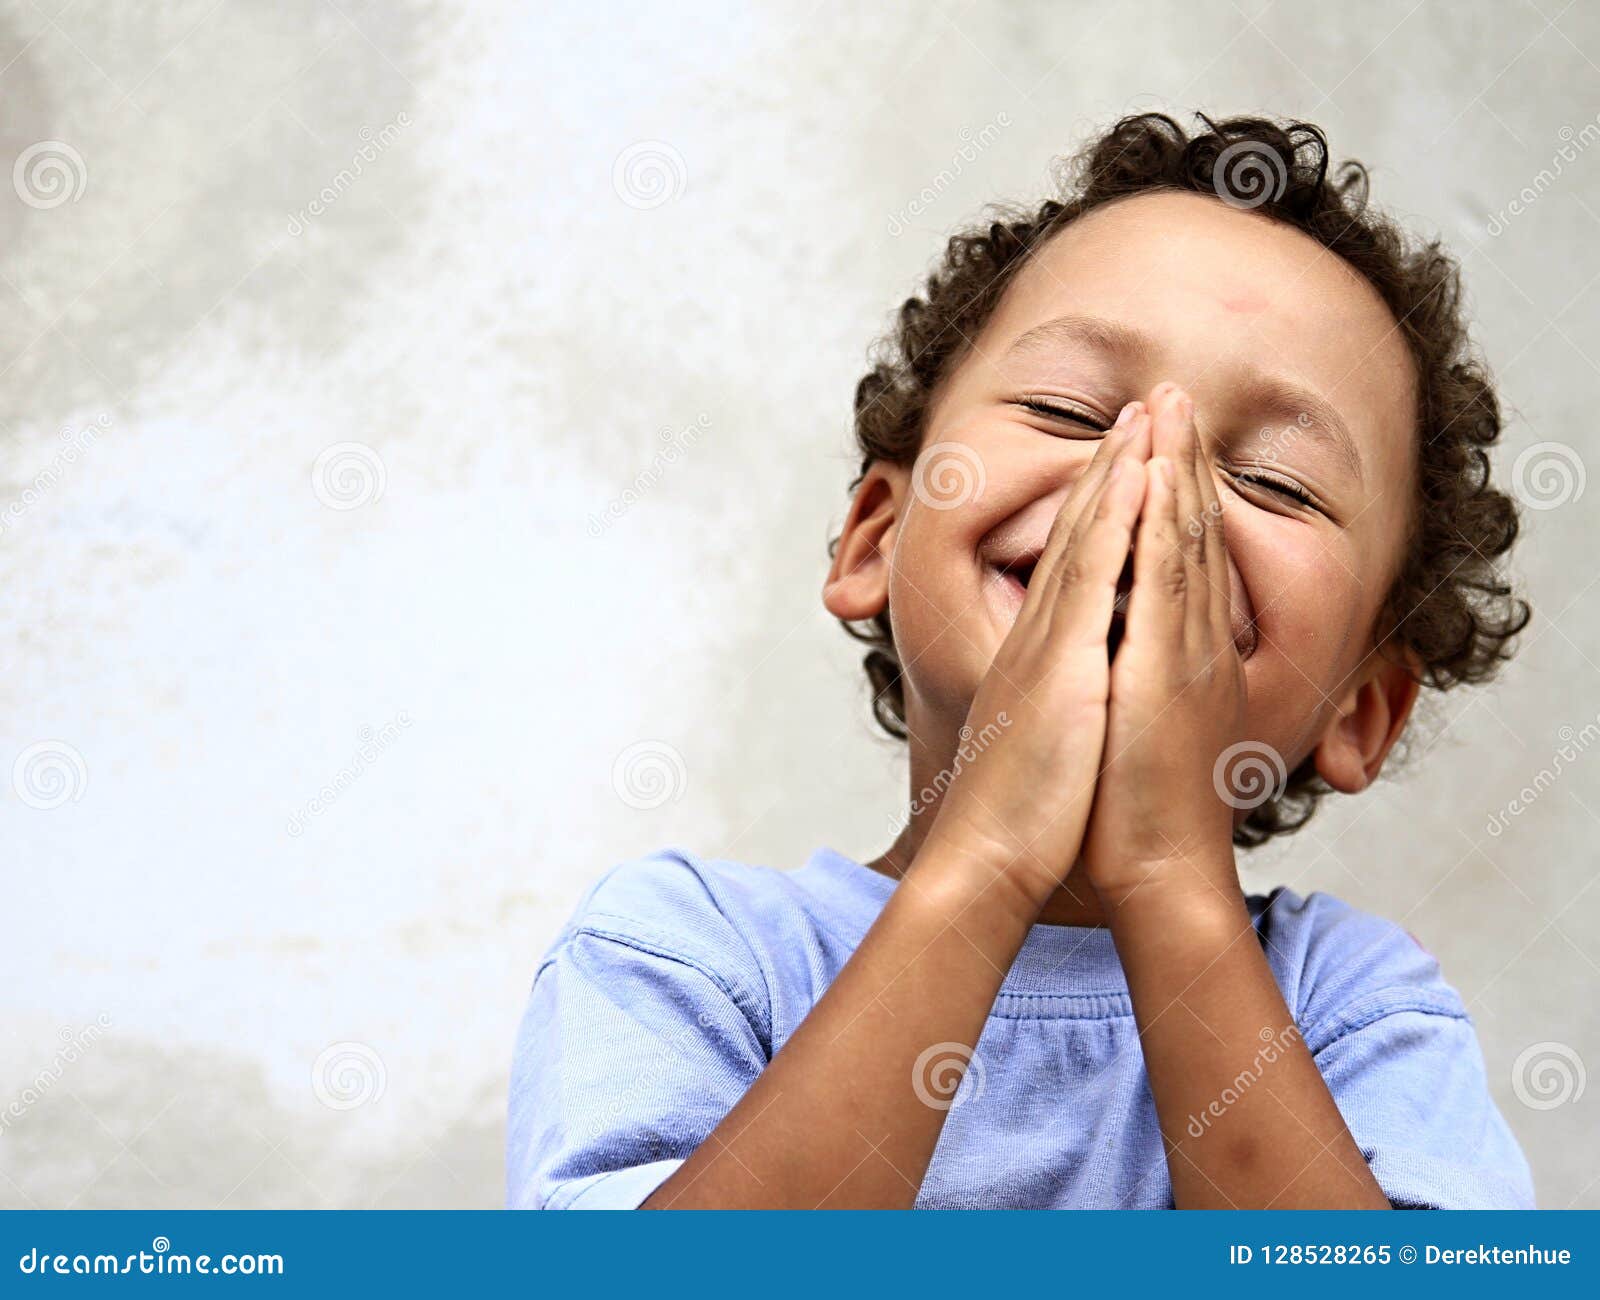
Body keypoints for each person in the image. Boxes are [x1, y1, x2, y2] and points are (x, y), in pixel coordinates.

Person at [507, 114, 1533, 1209]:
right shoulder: (692, 953)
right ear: (873, 539)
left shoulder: (1358, 1012)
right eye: (1067, 409)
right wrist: (987, 860)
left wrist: (1168, 880)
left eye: (1278, 482)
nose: (1145, 481)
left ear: (1361, 710)